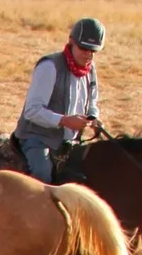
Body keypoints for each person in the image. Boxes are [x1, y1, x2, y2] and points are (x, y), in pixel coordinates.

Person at [13, 17, 105, 181]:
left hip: (71, 141)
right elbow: (32, 111)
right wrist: (64, 121)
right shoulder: (50, 67)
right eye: (84, 48)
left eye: (93, 50)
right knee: (43, 178)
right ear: (71, 41)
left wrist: (94, 117)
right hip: (38, 139)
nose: (88, 54)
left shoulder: (91, 70)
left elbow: (92, 102)